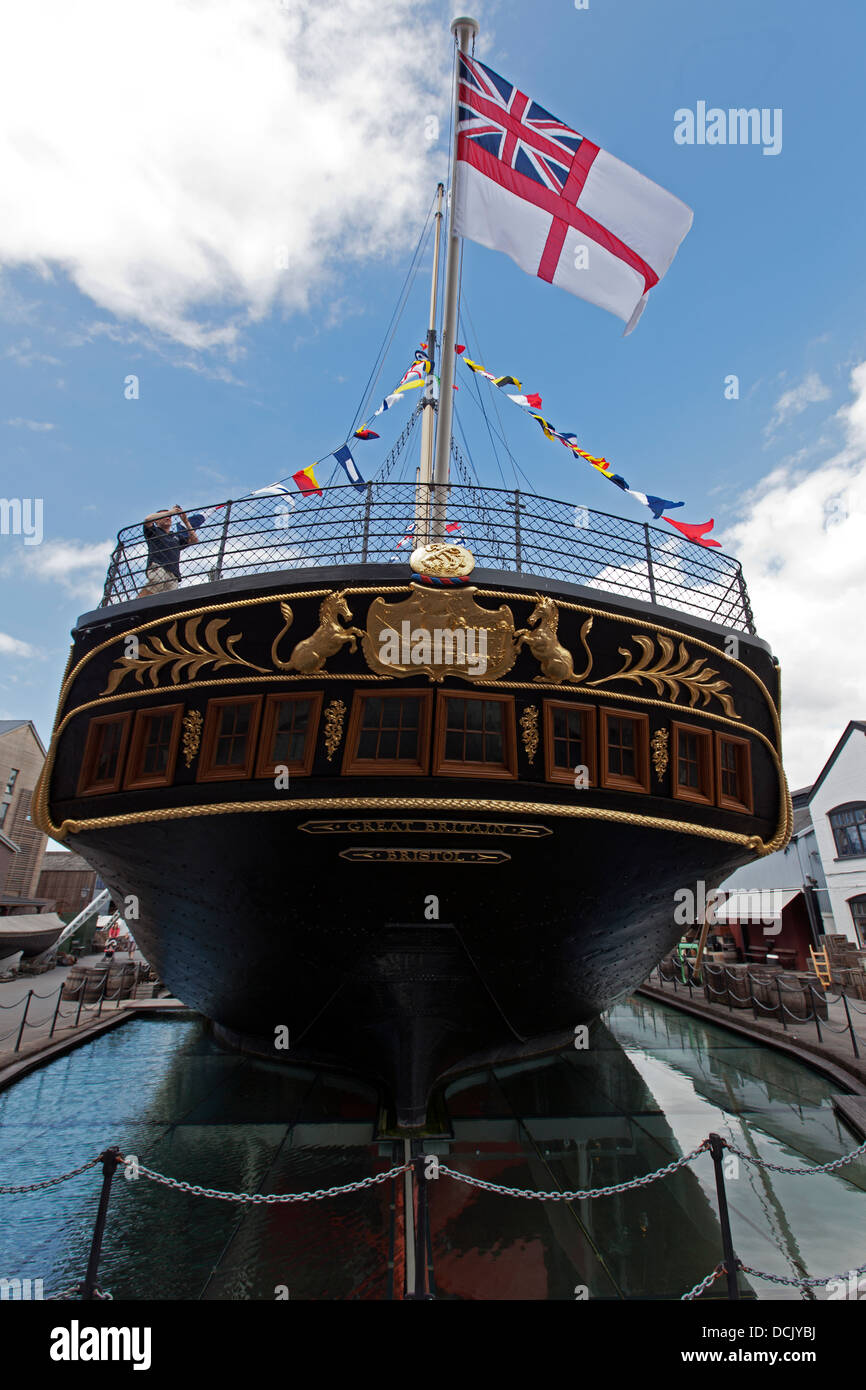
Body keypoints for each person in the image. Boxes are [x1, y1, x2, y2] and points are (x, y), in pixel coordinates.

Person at [138, 505, 199, 596]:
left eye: (170, 517)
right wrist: (171, 512)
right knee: (157, 582)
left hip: (173, 573)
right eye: (164, 516)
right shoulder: (153, 531)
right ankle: (138, 602)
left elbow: (194, 540)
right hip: (158, 566)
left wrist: (186, 521)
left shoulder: (176, 536)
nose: (168, 517)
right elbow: (147, 520)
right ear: (157, 520)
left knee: (169, 597)